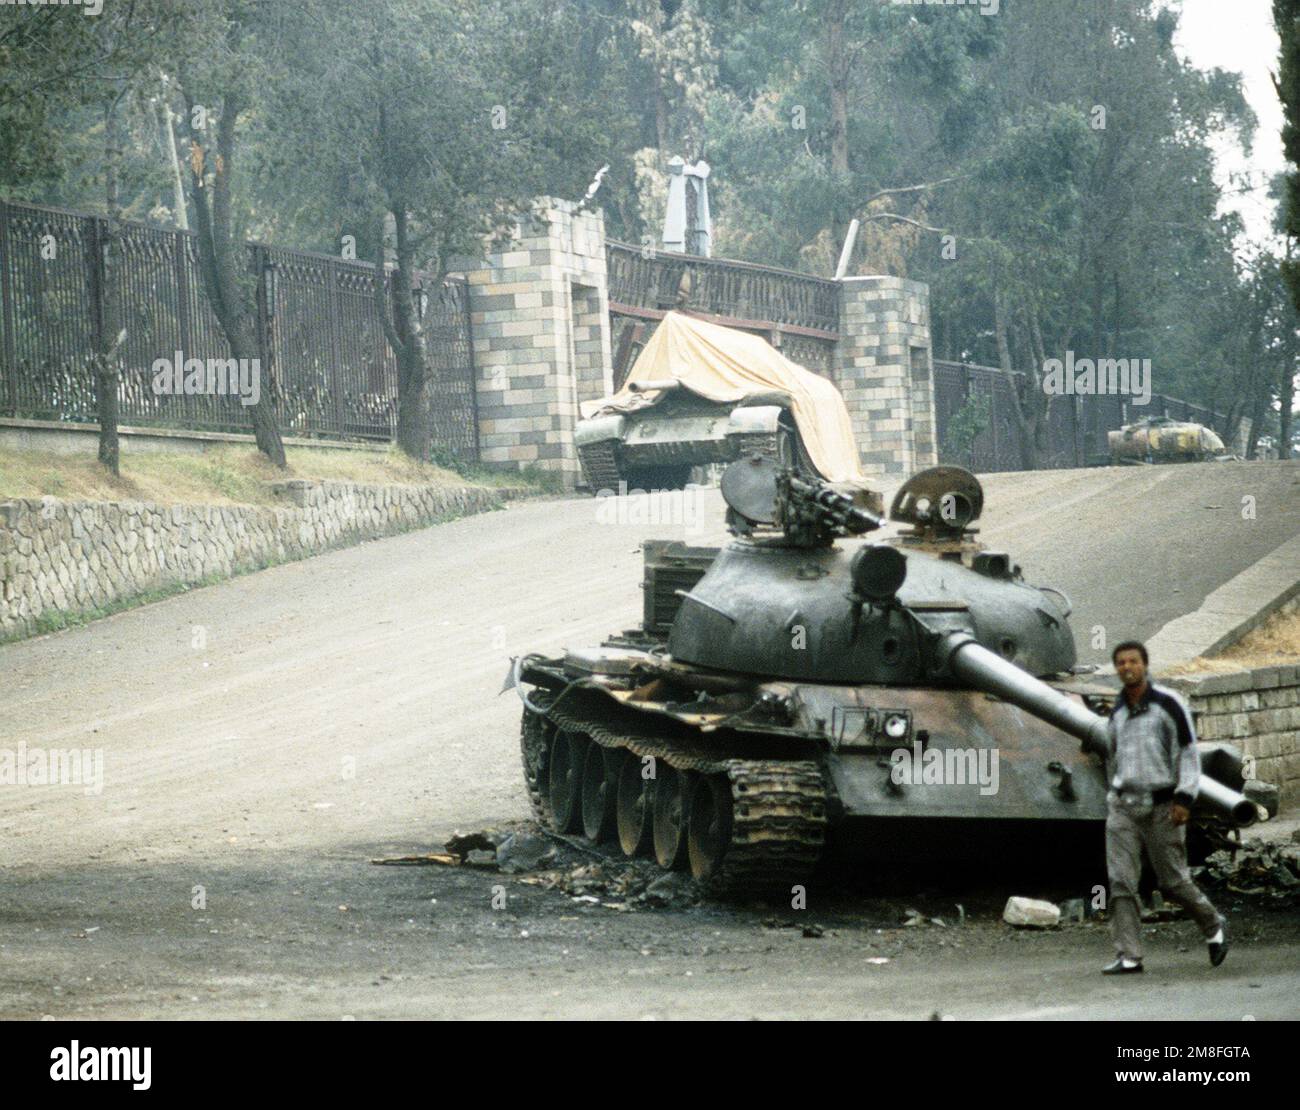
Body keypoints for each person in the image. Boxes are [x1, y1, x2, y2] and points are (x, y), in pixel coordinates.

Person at [1096, 640, 1227, 975]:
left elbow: (1187, 752)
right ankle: (1129, 955)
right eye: (1121, 663)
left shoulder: (1169, 705)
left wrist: (1184, 798)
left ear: (1145, 665)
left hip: (1162, 807)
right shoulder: (1118, 712)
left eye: (1133, 661)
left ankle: (1212, 924)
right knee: (1122, 882)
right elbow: (1112, 754)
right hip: (1124, 808)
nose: (1127, 667)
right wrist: (1114, 794)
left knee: (1172, 881)